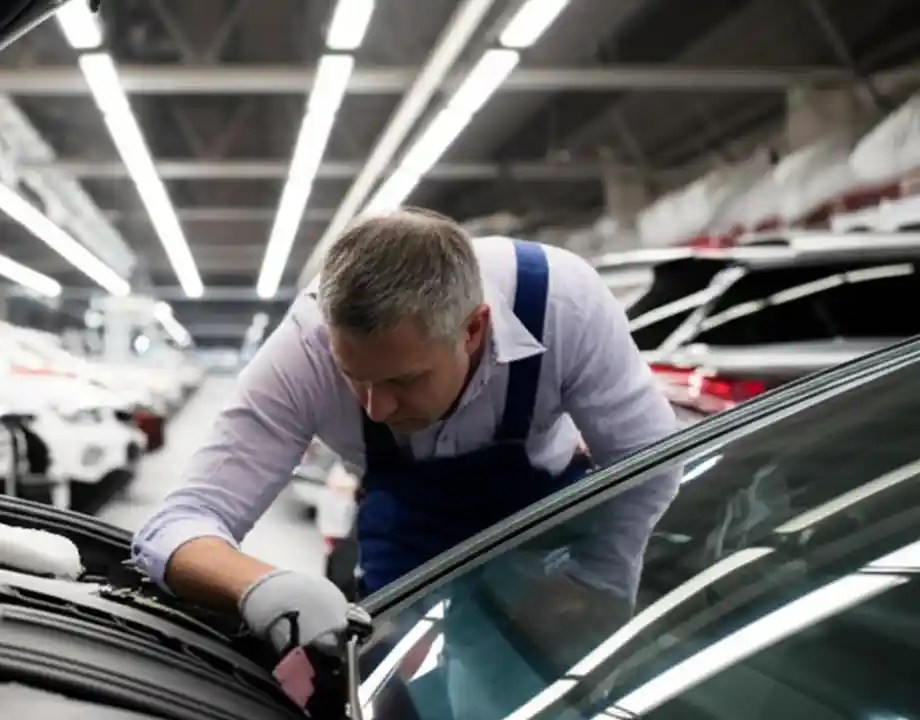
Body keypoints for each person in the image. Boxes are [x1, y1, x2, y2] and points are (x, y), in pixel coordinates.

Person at [131, 207, 679, 663]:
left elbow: (649, 464)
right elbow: (177, 524)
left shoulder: (563, 305)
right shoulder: (303, 353)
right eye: (354, 377)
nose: (376, 406)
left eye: (403, 379)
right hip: (407, 560)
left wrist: (597, 582)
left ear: (473, 329)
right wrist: (263, 587)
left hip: (546, 540)